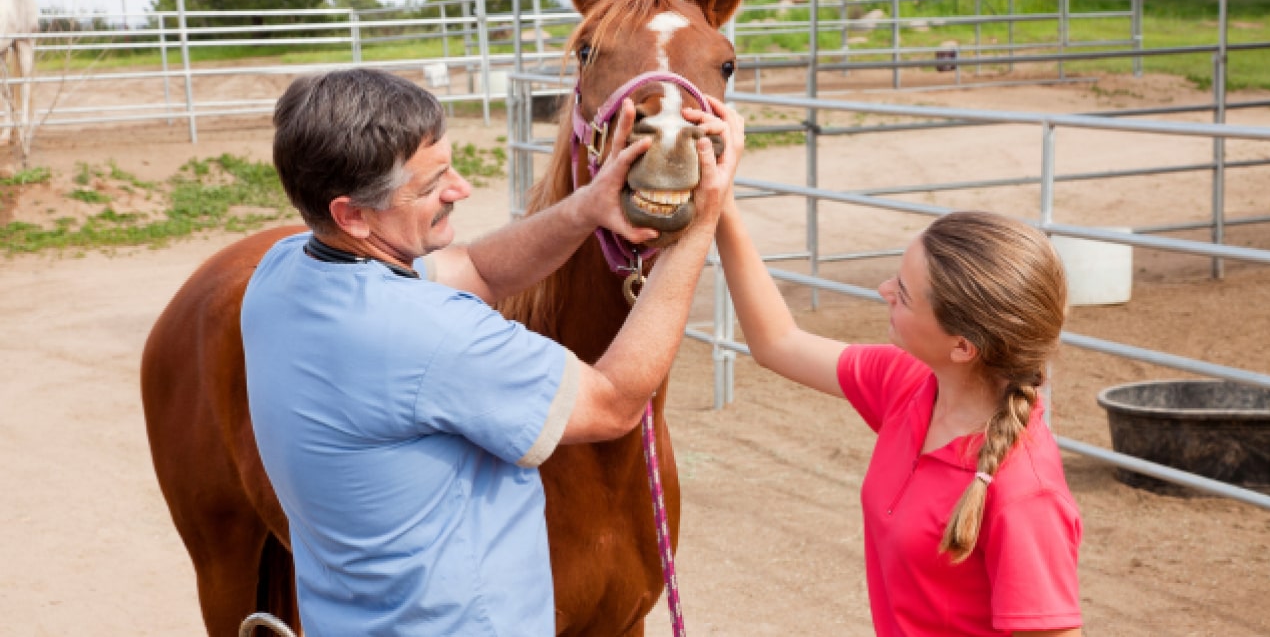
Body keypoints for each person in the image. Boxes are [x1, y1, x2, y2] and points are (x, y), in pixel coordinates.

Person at [241, 68, 744, 636]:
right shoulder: (433, 336)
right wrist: (700, 224)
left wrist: (586, 208)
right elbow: (614, 404)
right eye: (431, 186)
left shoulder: (283, 272)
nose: (460, 189)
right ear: (352, 214)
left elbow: (474, 269)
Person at [713, 174, 1083, 637]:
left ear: (963, 347)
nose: (884, 289)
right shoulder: (909, 384)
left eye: (904, 293)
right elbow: (777, 344)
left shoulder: (1025, 494)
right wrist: (721, 206)